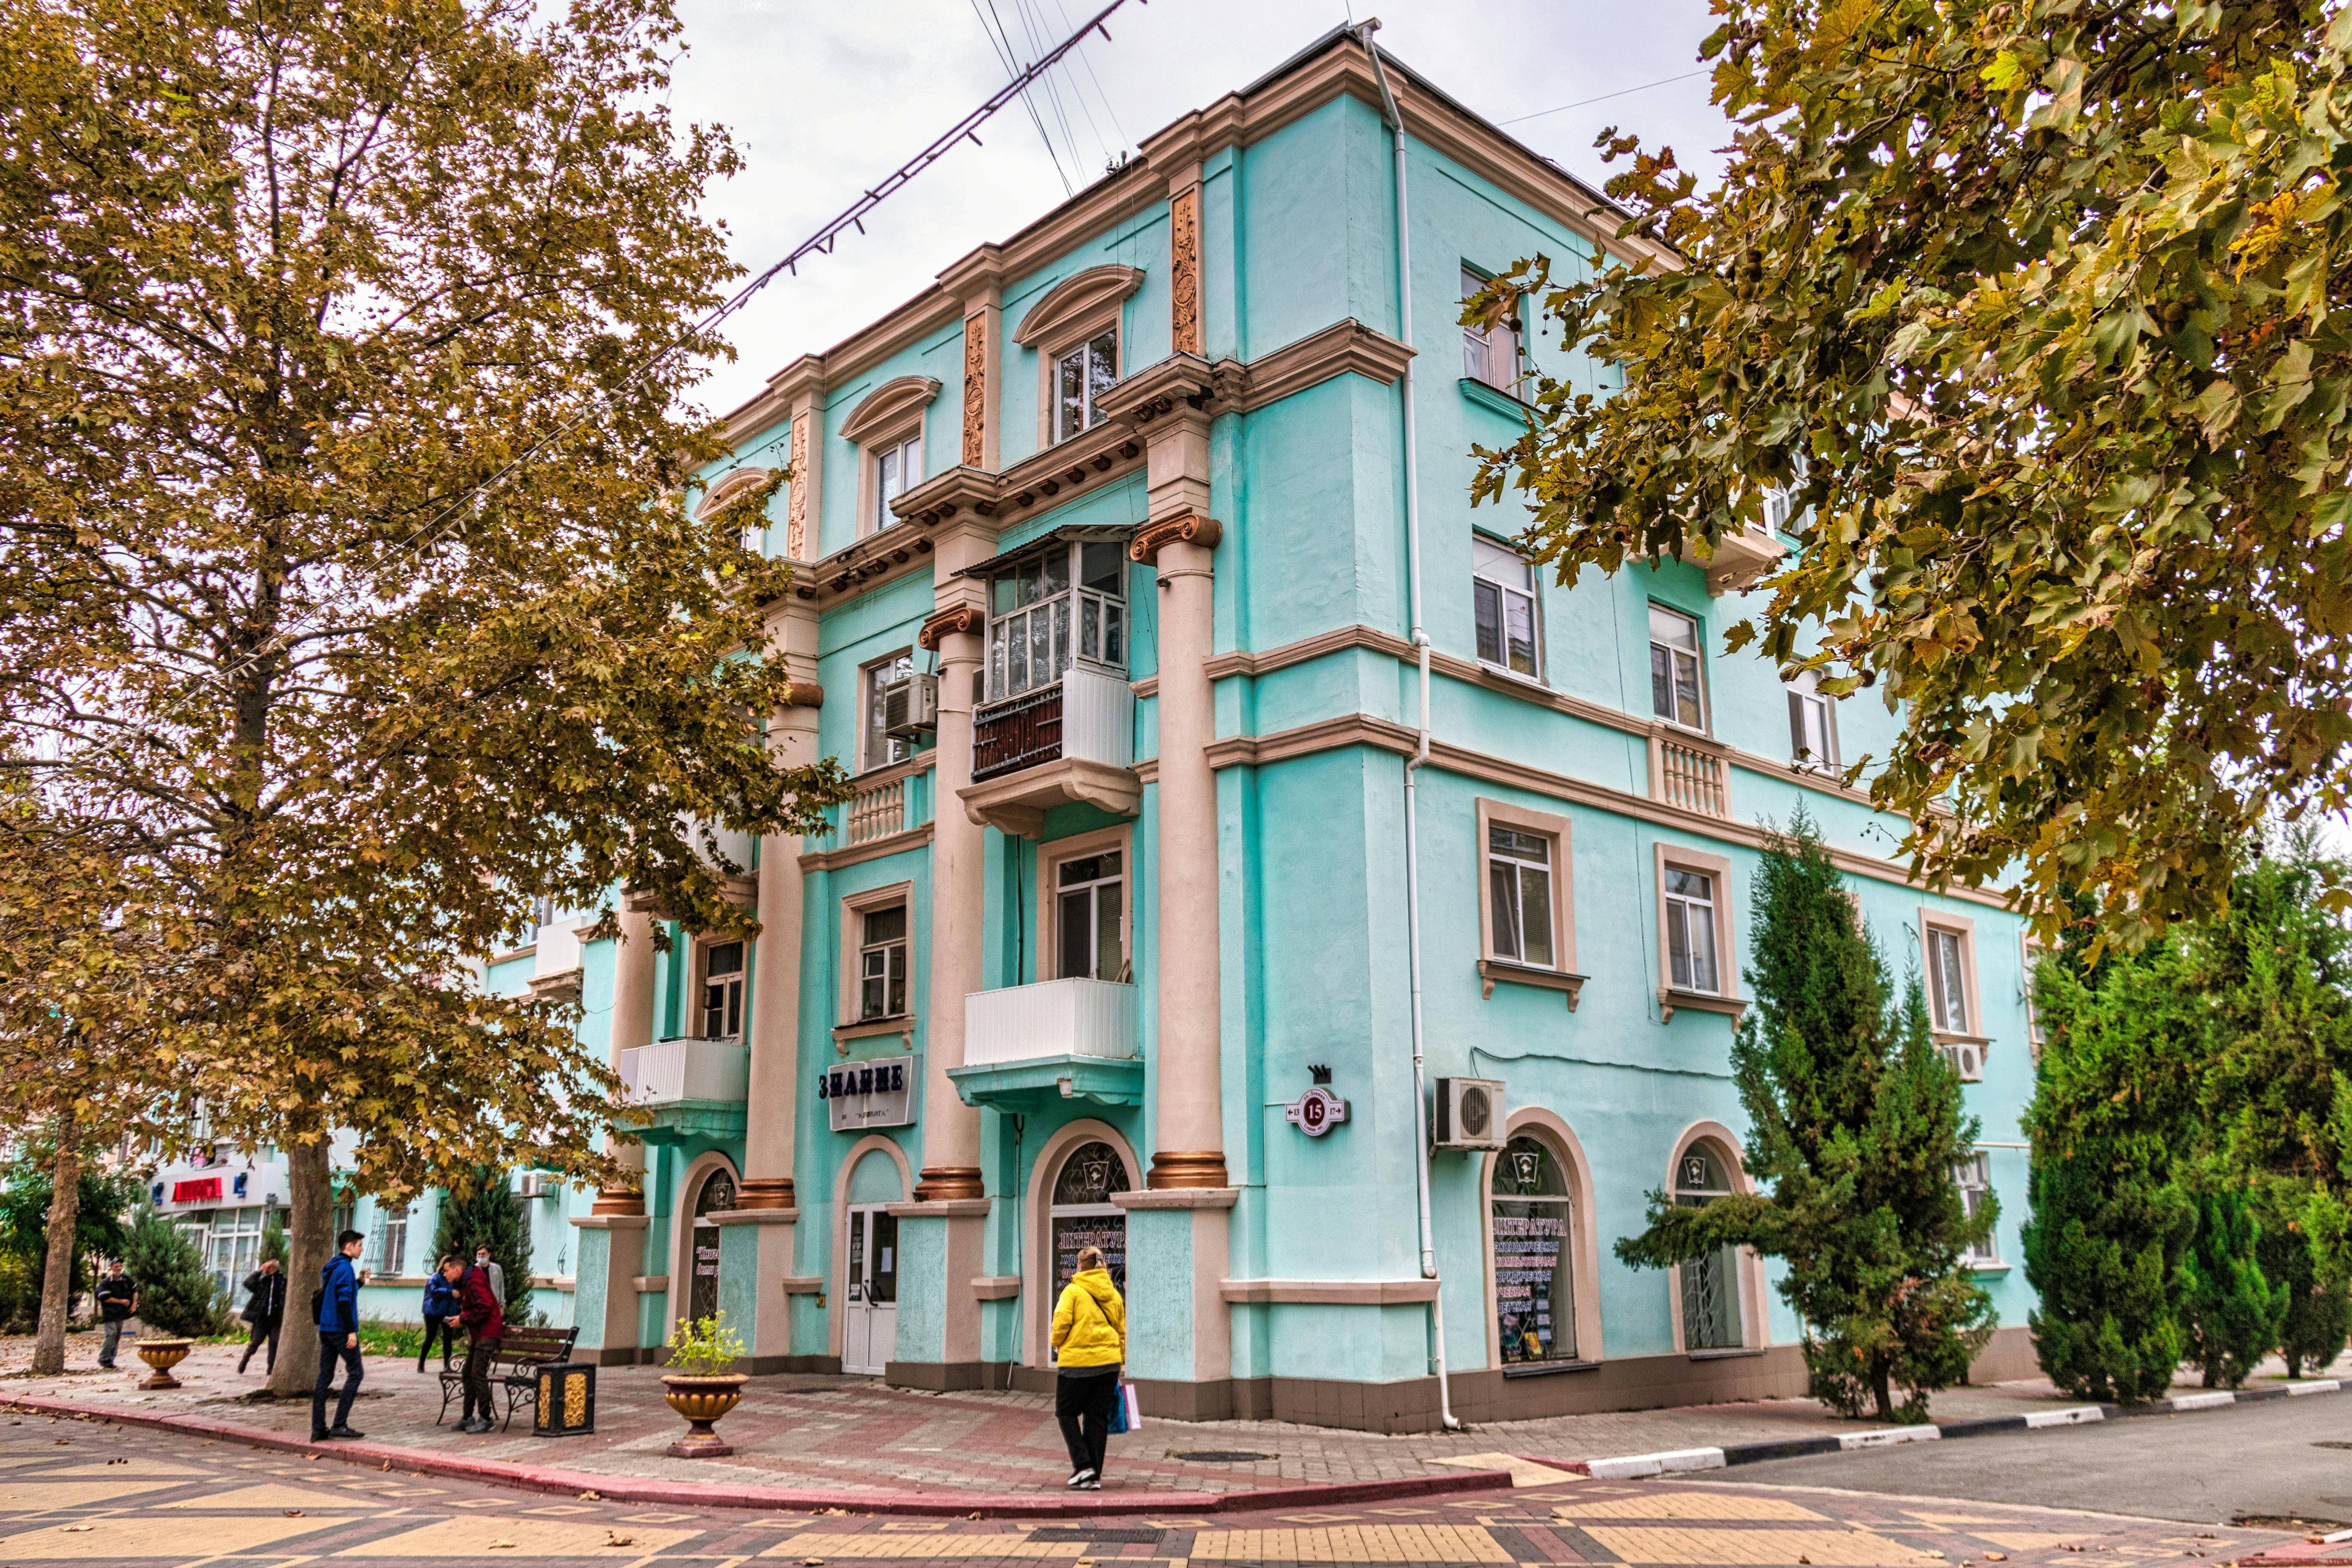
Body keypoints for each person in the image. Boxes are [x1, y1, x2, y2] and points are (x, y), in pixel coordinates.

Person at [1048, 1245, 1125, 1491]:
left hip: (1077, 1366)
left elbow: (1060, 1325)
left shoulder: (1072, 1292)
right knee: (1096, 1419)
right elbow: (1121, 1331)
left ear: (1080, 1267)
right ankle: (1094, 1477)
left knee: (1065, 1412)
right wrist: (1118, 1360)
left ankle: (1084, 1465)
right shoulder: (1113, 1294)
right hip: (1109, 1366)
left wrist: (1056, 1343)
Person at [311, 1229, 367, 1442]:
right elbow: (343, 1301)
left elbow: (341, 1291)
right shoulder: (344, 1268)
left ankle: (318, 1429)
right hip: (340, 1330)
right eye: (359, 1245)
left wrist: (359, 1283)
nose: (362, 1249)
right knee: (356, 1373)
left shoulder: (334, 1266)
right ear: (349, 1247)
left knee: (324, 1378)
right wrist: (351, 1330)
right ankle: (340, 1424)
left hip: (326, 1328)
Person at [453, 1253, 505, 1434]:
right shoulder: (468, 1281)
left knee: (477, 1373)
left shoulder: (473, 1281)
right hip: (480, 1334)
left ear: (457, 1270)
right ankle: (468, 1417)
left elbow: (484, 1307)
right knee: (467, 1372)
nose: (445, 1275)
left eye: (446, 1272)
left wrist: (463, 1319)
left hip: (488, 1333)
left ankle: (486, 1418)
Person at [237, 1258, 286, 1374]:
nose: (266, 1269)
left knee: (275, 1343)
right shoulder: (262, 1281)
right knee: (255, 1343)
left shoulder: (284, 1280)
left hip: (276, 1320)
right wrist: (258, 1271)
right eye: (266, 1267)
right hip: (262, 1319)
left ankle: (271, 1369)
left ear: (275, 1268)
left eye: (268, 1267)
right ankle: (245, 1358)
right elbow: (248, 1284)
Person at [418, 1256, 460, 1372]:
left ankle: (447, 1366)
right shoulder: (435, 1277)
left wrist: (457, 1310)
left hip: (448, 1312)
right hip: (433, 1312)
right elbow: (433, 1291)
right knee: (430, 1337)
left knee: (448, 1338)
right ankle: (421, 1363)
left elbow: (458, 1297)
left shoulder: (455, 1279)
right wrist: (449, 1292)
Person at [93, 1260, 137, 1370]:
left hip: (121, 1313)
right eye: (116, 1266)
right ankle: (103, 1358)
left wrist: (134, 1304)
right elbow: (104, 1298)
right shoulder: (106, 1283)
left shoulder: (127, 1279)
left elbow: (135, 1290)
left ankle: (110, 1361)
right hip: (110, 1313)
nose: (119, 1268)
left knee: (116, 1336)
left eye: (121, 1266)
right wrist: (121, 1301)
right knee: (112, 1334)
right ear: (111, 1268)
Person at [472, 1245, 505, 1309]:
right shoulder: (473, 1270)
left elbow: (501, 1287)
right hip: (480, 1306)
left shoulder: (497, 1268)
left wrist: (501, 1305)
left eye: (484, 1254)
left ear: (489, 1255)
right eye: (479, 1254)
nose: (481, 1256)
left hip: (495, 1305)